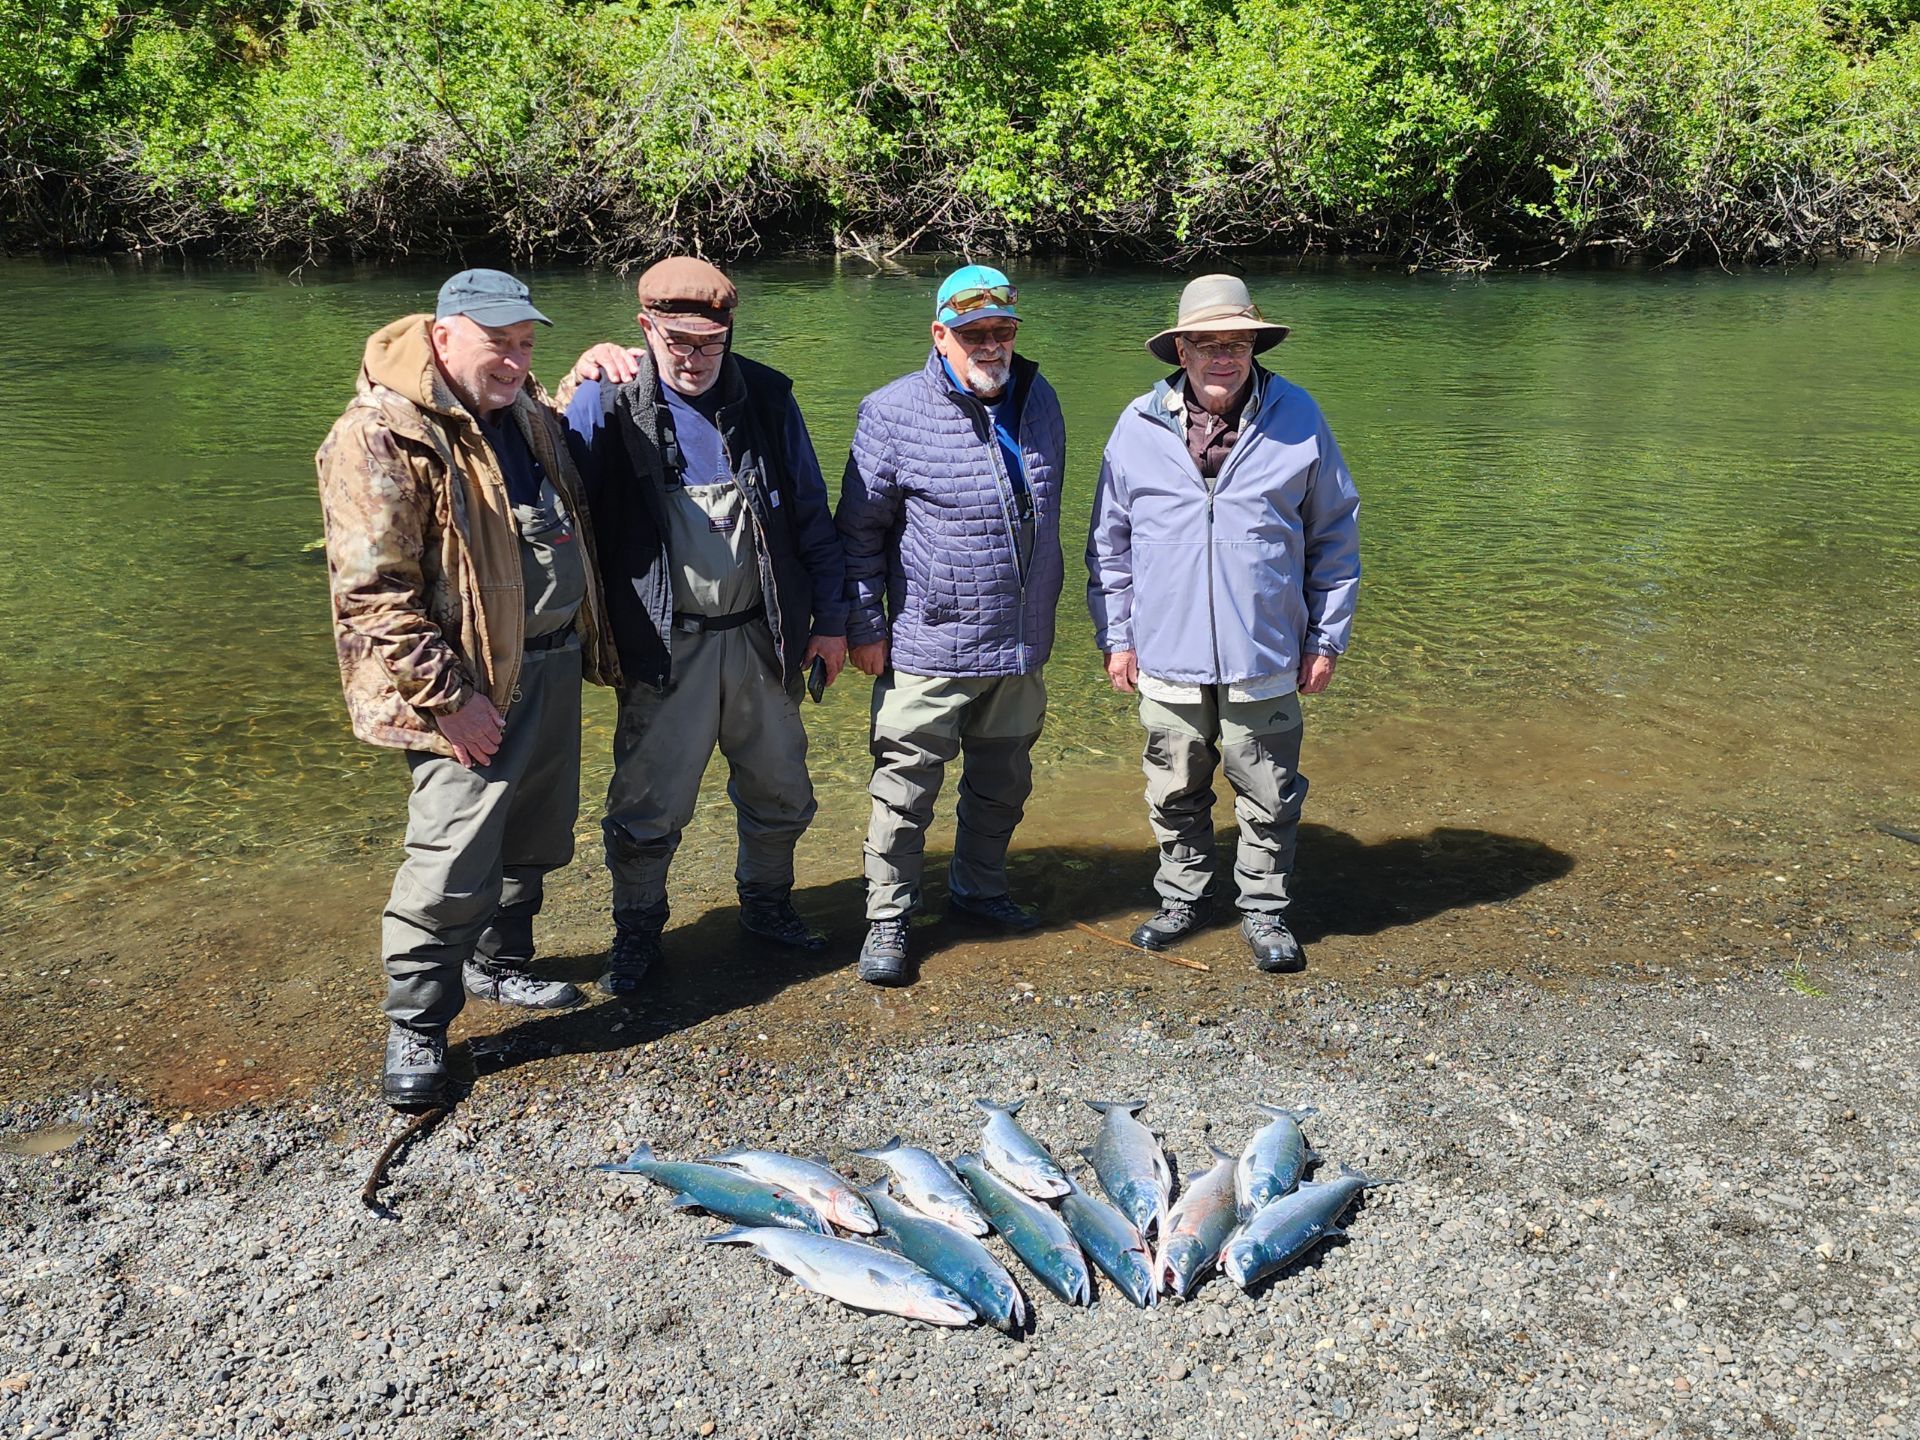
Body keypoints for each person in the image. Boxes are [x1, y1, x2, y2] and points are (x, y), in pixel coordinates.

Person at [315, 268, 621, 1107]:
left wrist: (587, 369)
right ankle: (416, 1023)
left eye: (527, 344)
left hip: (550, 662)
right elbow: (372, 591)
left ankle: (499, 962)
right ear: (443, 335)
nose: (516, 359)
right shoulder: (378, 433)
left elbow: (546, 455)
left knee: (534, 836)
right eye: (499, 343)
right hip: (468, 689)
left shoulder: (519, 406)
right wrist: (452, 700)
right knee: (448, 863)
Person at [559, 257, 848, 994]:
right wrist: (571, 378)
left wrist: (832, 622)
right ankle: (636, 935)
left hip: (763, 636)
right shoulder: (605, 401)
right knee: (646, 810)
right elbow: (546, 489)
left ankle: (768, 908)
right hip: (663, 644)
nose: (692, 359)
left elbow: (812, 516)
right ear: (644, 327)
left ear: (730, 331)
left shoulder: (771, 397)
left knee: (781, 790)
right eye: (675, 341)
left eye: (709, 343)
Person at [1086, 274, 1360, 973]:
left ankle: (1264, 910)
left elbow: (1334, 536)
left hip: (1266, 652)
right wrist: (1116, 636)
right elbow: (1108, 546)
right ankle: (1183, 896)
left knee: (1268, 794)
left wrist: (1324, 639)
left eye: (1235, 343)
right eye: (1205, 343)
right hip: (1166, 655)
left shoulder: (1300, 416)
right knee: (1174, 789)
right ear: (1179, 350)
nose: (1221, 357)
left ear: (1253, 347)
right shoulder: (1135, 426)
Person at [836, 265, 1067, 986]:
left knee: (1003, 785)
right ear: (940, 336)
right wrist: (864, 625)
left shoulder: (1040, 398)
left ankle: (980, 890)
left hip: (1018, 643)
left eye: (1002, 331)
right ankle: (889, 921)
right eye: (973, 334)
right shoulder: (890, 412)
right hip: (927, 644)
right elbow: (859, 534)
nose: (990, 345)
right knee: (903, 796)